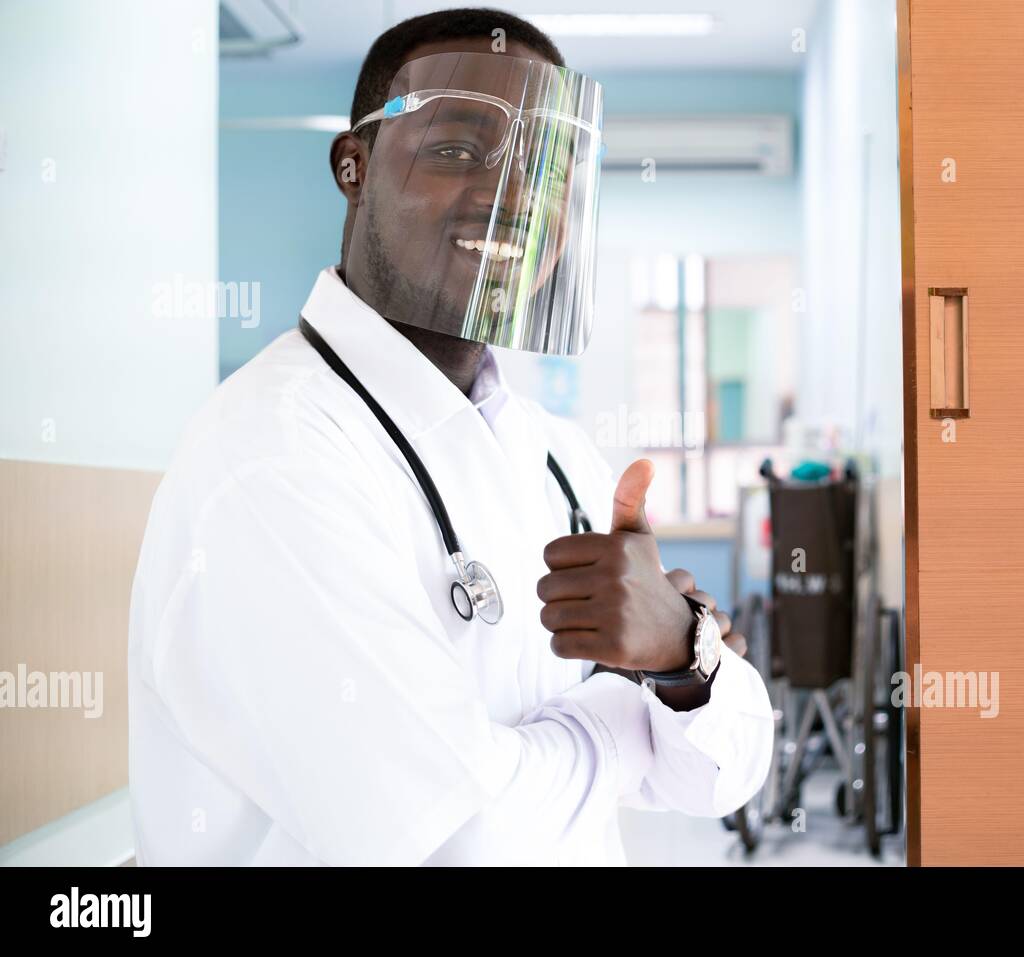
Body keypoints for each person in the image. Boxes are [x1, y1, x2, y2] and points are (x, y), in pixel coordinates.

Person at [127, 7, 774, 866]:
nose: (509, 197)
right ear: (353, 166)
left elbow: (724, 776)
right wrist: (625, 724)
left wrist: (680, 661)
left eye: (542, 167)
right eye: (458, 151)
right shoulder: (273, 458)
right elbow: (458, 837)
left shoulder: (558, 456)